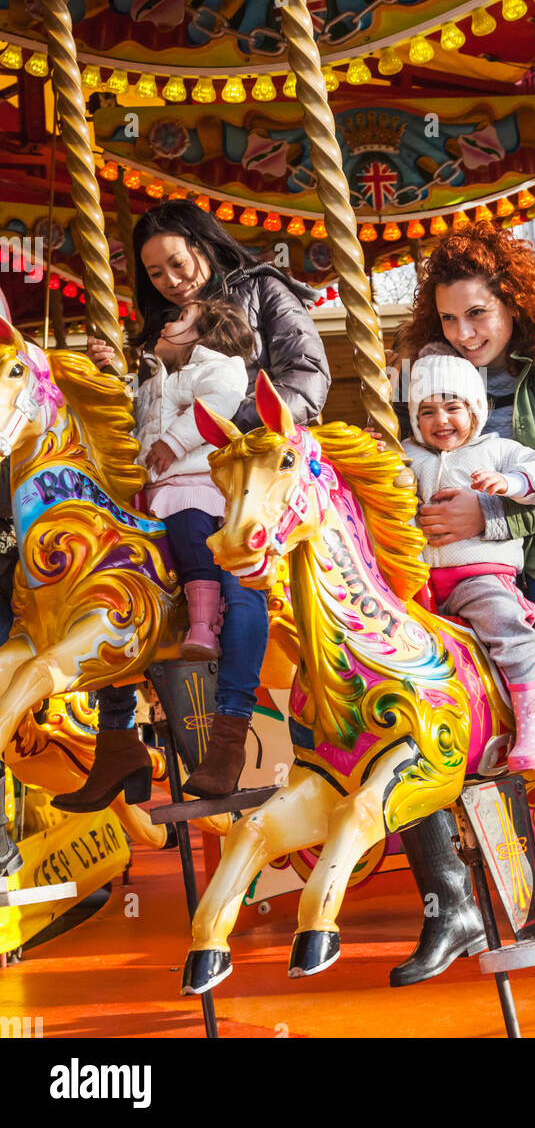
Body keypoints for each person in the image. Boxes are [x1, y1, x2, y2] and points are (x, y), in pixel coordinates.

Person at [388, 221, 535, 986]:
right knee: (398, 671)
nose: (465, 334)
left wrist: (489, 517)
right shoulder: (423, 375)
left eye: (479, 314)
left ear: (513, 303)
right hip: (452, 556)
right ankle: (449, 897)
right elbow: (405, 468)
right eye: (450, 318)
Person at [53, 200, 331, 809]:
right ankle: (116, 735)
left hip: (252, 470)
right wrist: (115, 379)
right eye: (155, 273)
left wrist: (223, 431)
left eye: (178, 263)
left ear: (203, 246)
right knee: (112, 573)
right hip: (175, 482)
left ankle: (229, 735)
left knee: (241, 580)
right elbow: (148, 415)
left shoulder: (262, 291)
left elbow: (308, 377)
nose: (171, 281)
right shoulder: (164, 329)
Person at [403, 348, 535, 770]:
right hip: (419, 583)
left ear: (475, 409)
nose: (440, 420)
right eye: (426, 411)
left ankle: (532, 722)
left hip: (479, 577)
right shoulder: (409, 455)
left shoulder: (496, 450)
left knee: (505, 627)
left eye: (452, 407)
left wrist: (510, 483)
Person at [135, 299, 254, 662]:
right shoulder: (157, 381)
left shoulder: (220, 369)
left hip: (193, 483)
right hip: (155, 485)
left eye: (181, 318)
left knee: (192, 539)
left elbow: (218, 402)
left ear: (205, 335)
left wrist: (174, 441)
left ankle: (205, 624)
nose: (167, 323)